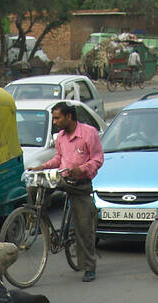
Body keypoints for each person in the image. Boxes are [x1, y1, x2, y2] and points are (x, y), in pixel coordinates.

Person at [28, 101, 104, 281]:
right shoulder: (60, 136)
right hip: (62, 178)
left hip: (80, 183)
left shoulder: (88, 133)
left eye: (57, 118)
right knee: (34, 187)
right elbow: (58, 159)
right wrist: (41, 167)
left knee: (84, 226)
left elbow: (98, 159)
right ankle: (39, 222)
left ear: (69, 116)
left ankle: (89, 267)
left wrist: (82, 169)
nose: (54, 121)